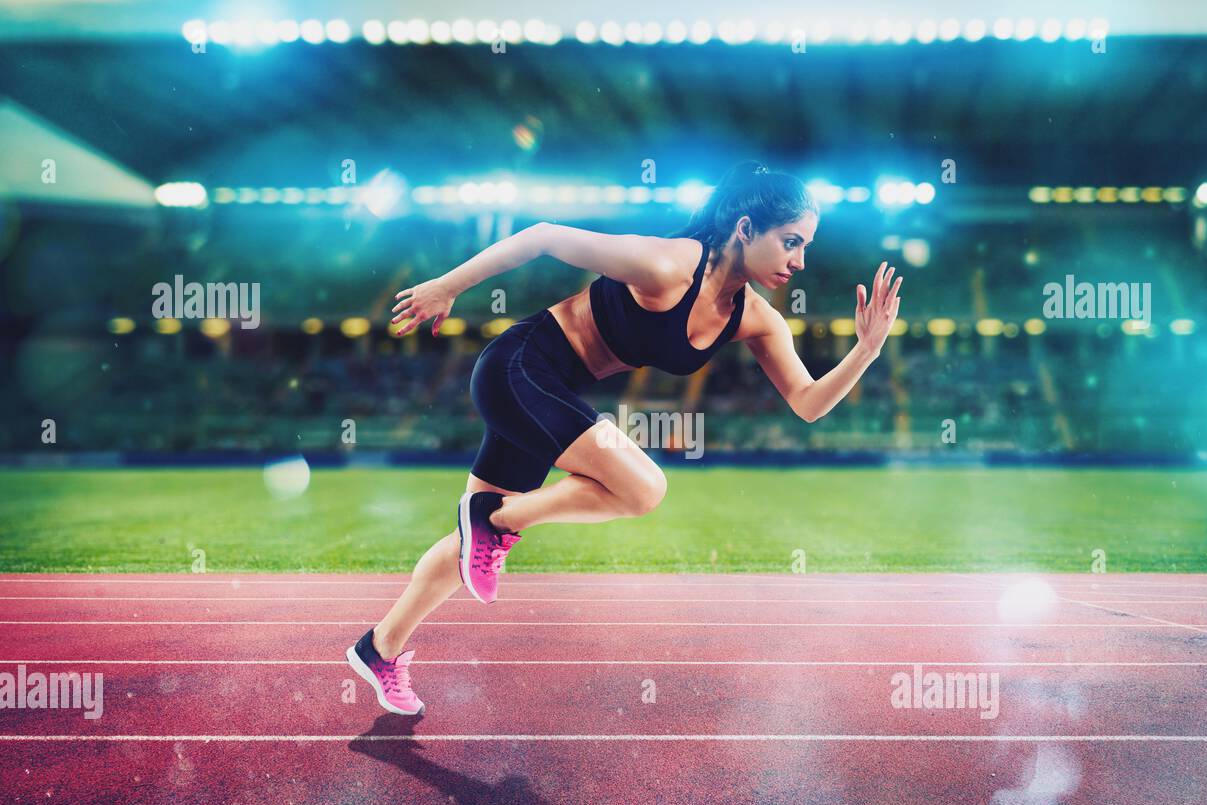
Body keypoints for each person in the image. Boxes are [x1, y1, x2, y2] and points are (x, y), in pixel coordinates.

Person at [345, 160, 903, 714]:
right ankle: (495, 520)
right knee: (643, 487)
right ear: (745, 229)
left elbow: (807, 404)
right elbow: (544, 237)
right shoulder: (667, 265)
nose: (799, 261)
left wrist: (867, 349)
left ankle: (381, 646)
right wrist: (446, 286)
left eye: (805, 246)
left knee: (469, 546)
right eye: (791, 242)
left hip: (549, 396)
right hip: (517, 369)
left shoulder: (753, 317)